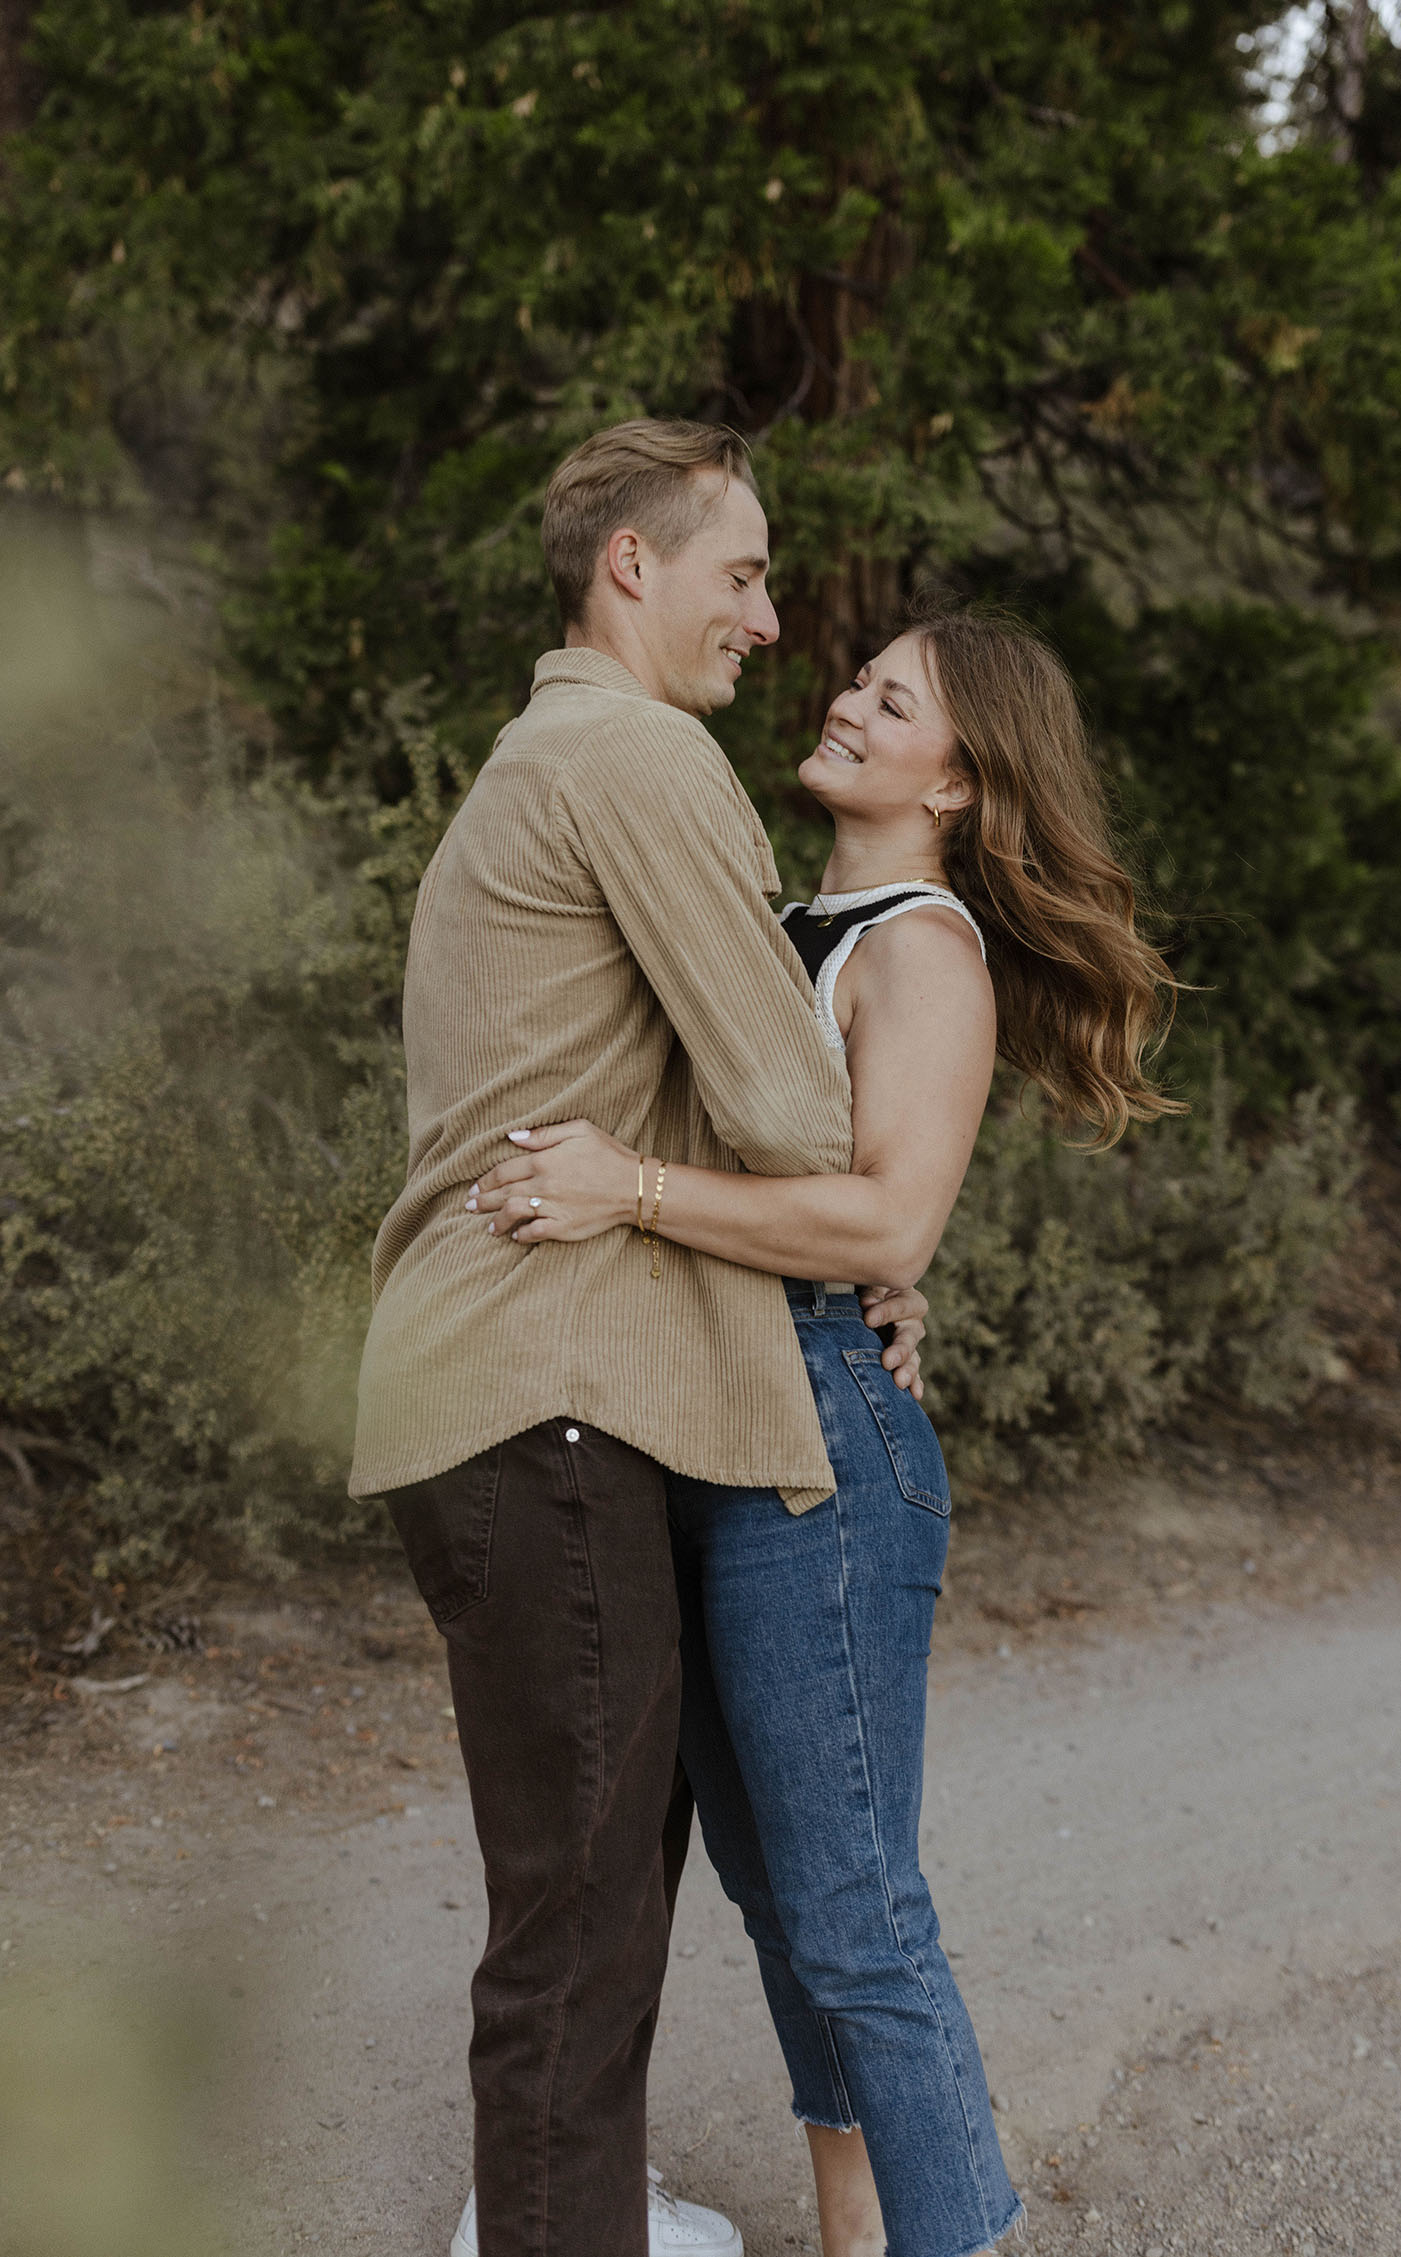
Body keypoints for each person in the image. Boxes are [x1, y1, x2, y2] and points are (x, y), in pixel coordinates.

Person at [468, 605, 1182, 2257]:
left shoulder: (921, 947)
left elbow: (883, 1231)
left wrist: (624, 1189)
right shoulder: (790, 920)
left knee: (858, 1916)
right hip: (712, 1428)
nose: (848, 698)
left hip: (824, 1467)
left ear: (962, 776)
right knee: (785, 1908)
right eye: (860, 676)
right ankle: (855, 2235)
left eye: (895, 696)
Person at [348, 418, 930, 2257]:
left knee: (591, 1873)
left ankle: (573, 2206)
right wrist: (878, 1200)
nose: (768, 618)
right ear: (633, 566)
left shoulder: (545, 755)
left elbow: (663, 1088)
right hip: (552, 1391)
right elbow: (783, 1094)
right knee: (583, 1902)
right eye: (742, 573)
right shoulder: (636, 751)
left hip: (509, 1391)